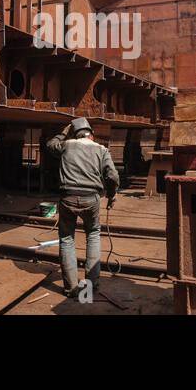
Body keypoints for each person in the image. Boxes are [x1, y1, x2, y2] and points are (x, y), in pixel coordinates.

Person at [46, 118, 119, 298]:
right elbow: (112, 176)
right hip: (91, 199)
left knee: (67, 239)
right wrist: (111, 195)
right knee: (93, 235)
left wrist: (64, 132)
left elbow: (50, 145)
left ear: (74, 133)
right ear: (91, 134)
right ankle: (90, 288)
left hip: (67, 197)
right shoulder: (101, 149)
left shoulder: (66, 145)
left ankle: (71, 288)